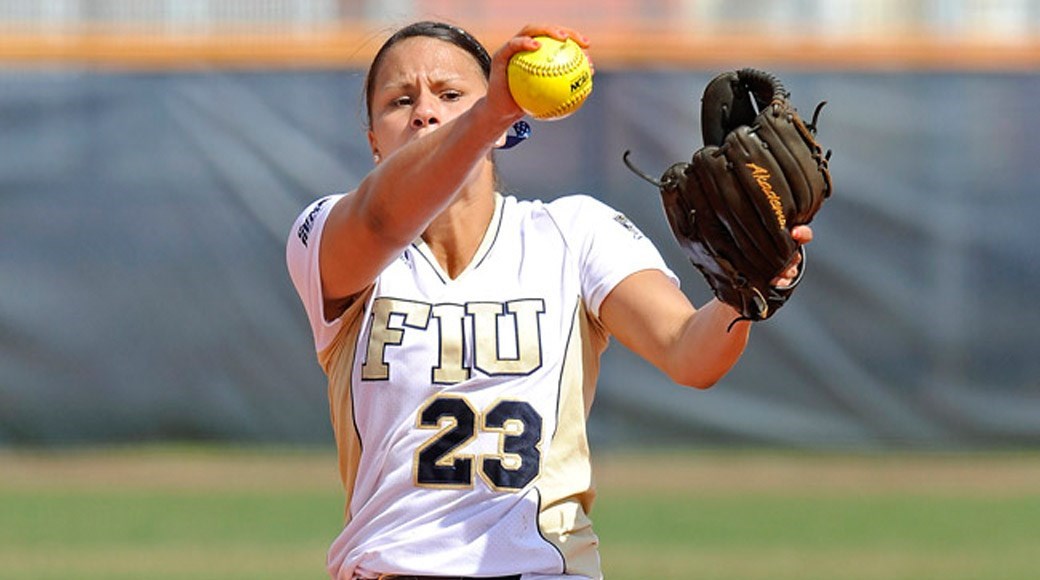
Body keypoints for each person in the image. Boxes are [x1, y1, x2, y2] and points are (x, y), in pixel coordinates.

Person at [286, 20, 812, 580]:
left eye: (450, 94)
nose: (425, 112)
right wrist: (486, 113)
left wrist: (744, 290)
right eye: (400, 100)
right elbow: (380, 217)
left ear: (507, 127)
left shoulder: (573, 233)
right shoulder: (327, 237)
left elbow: (689, 354)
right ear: (373, 139)